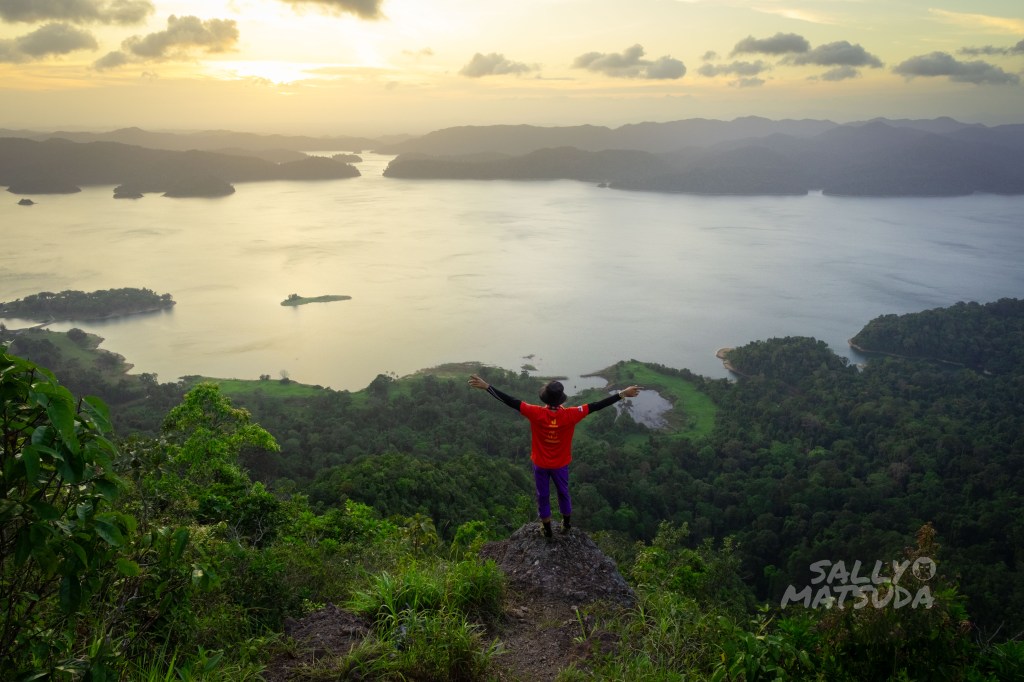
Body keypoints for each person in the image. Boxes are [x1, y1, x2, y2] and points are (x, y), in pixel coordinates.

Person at [468, 373, 641, 538]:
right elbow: (597, 405)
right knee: (563, 493)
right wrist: (622, 394)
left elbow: (510, 401)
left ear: (545, 398)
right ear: (561, 399)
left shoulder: (535, 413)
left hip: (541, 465)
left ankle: (548, 529)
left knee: (542, 495)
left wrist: (487, 387)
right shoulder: (571, 414)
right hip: (560, 465)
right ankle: (566, 525)